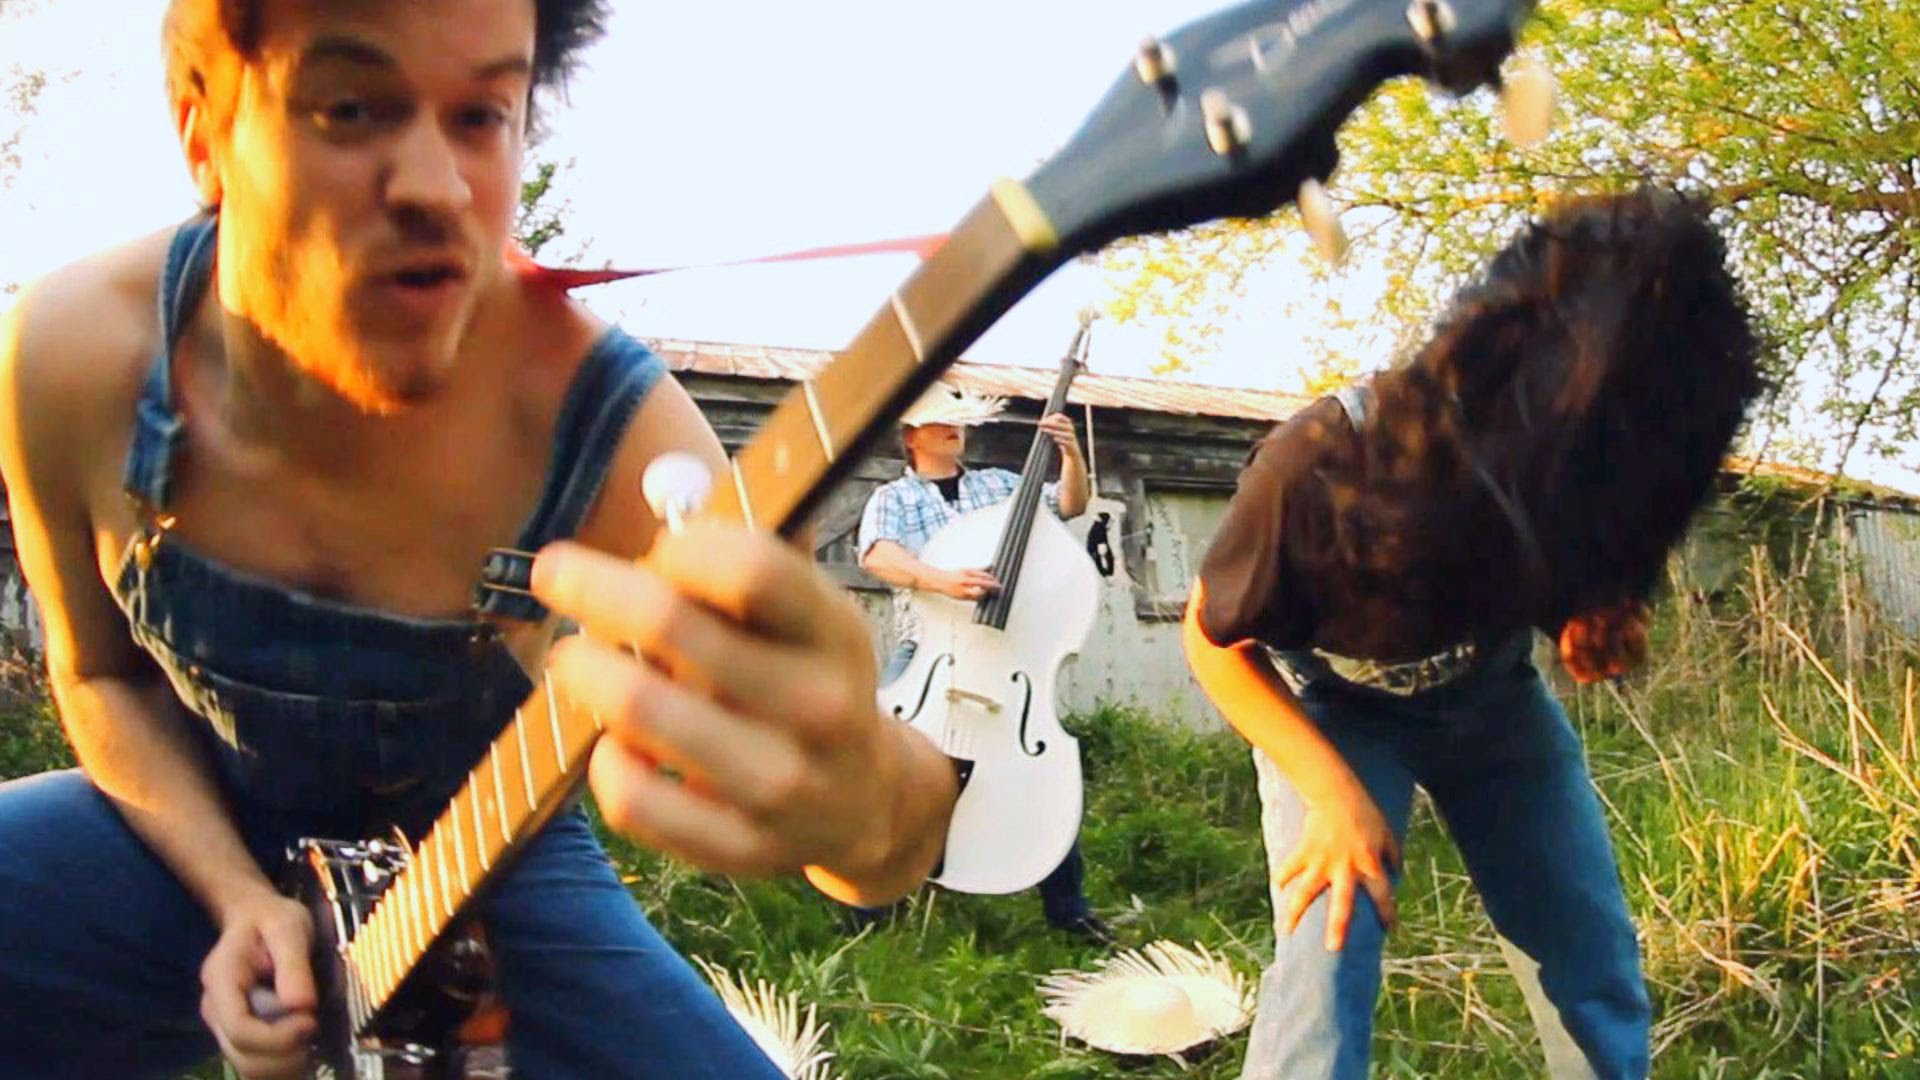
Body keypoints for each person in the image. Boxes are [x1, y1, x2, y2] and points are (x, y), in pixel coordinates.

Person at [0, 2, 962, 1077]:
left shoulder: (622, 438)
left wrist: (864, 803)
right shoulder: (74, 352)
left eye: (481, 114)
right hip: (187, 836)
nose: (437, 187)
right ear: (203, 132)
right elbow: (100, 677)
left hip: (487, 864)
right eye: (351, 106)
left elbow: (904, 835)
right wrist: (235, 898)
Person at [1182, 190, 1762, 1079]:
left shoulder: (1585, 472)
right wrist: (1332, 795)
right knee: (1329, 948)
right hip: (1335, 715)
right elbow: (1212, 644)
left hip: (1496, 708)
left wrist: (1593, 625)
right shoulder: (1320, 463)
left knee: (1589, 950)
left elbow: (1575, 596)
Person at [851, 384, 1112, 944]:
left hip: (1009, 658)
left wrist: (1070, 453)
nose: (955, 429)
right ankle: (872, 901)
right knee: (884, 768)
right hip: (928, 651)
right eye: (941, 422)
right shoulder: (893, 497)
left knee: (1038, 773)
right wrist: (941, 580)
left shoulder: (1000, 485)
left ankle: (1069, 909)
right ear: (911, 437)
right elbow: (878, 555)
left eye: (960, 422)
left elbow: (1067, 505)